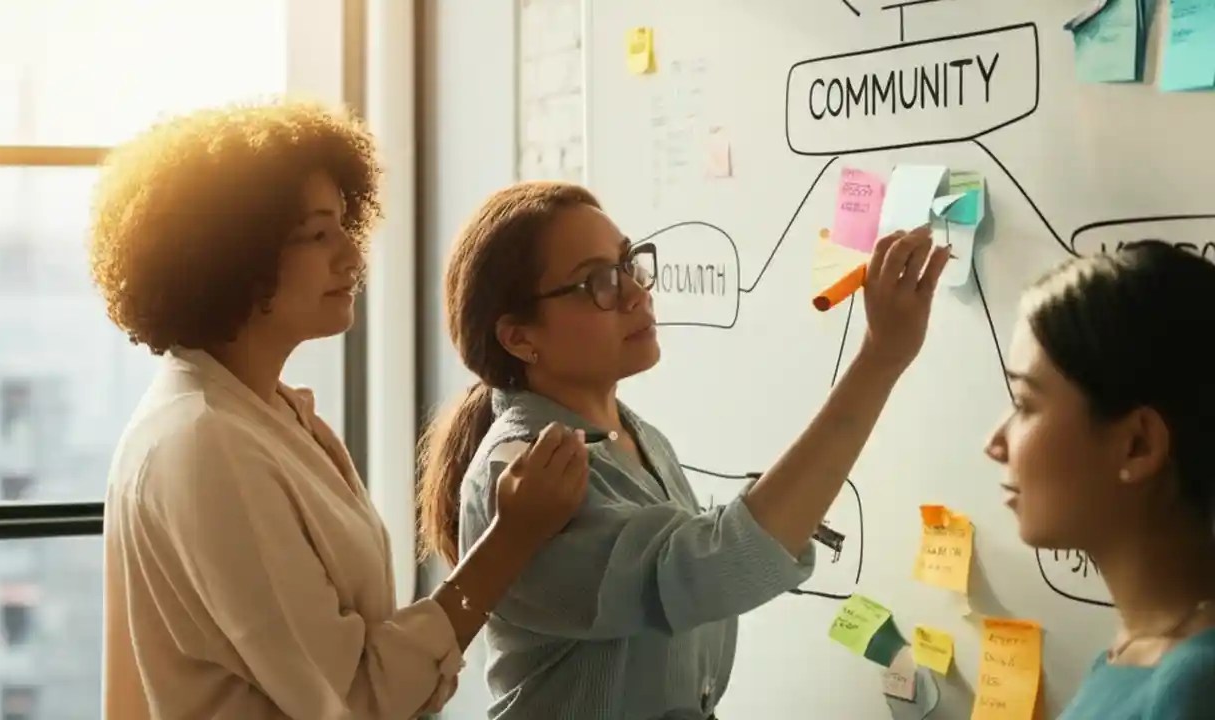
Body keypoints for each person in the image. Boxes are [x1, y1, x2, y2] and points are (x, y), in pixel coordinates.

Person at [92, 100, 588, 720]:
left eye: (344, 227)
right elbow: (352, 698)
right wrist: (508, 541)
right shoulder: (206, 442)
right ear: (231, 255)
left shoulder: (265, 413)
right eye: (317, 234)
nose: (351, 257)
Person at [415, 180, 950, 718]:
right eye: (596, 282)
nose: (634, 292)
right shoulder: (525, 474)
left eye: (628, 263)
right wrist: (880, 358)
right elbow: (705, 570)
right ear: (519, 338)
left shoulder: (637, 437)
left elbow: (701, 562)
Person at [985, 241, 1215, 720]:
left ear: (1138, 445)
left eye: (1025, 405)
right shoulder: (1128, 657)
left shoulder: (1192, 689)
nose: (995, 443)